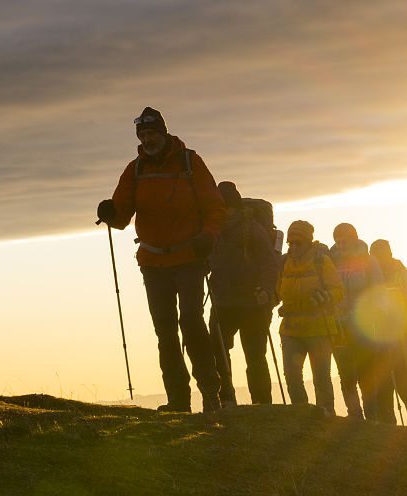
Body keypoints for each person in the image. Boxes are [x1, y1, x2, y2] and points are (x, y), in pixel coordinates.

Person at [96, 107, 225, 413]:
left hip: (190, 257)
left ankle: (210, 394)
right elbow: (123, 215)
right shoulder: (135, 169)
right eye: (142, 135)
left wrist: (207, 238)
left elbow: (216, 208)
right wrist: (110, 213)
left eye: (151, 133)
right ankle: (179, 401)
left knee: (192, 324)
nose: (147, 139)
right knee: (165, 332)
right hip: (153, 263)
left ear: (164, 133)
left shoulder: (190, 162)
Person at [206, 181, 282, 406]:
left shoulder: (251, 229)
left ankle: (256, 403)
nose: (224, 212)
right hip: (230, 302)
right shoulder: (213, 230)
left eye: (225, 207)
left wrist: (265, 290)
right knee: (227, 353)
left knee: (252, 356)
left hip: (247, 302)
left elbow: (269, 263)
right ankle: (237, 401)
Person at [275, 221, 344, 414]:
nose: (293, 248)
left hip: (318, 329)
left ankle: (325, 416)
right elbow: (277, 292)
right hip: (291, 330)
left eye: (298, 243)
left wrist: (326, 297)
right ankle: (302, 415)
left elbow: (339, 291)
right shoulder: (284, 263)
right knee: (292, 376)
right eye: (290, 244)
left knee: (321, 377)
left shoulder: (321, 261)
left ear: (308, 242)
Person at [367, 239, 407, 427]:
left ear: (389, 254)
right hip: (379, 339)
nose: (378, 260)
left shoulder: (404, 276)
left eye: (380, 255)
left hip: (403, 339)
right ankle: (389, 427)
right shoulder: (370, 278)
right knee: (384, 383)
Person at [328, 223, 384, 420]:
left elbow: (378, 291)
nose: (341, 245)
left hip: (364, 326)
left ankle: (371, 416)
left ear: (354, 239)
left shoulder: (368, 261)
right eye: (338, 242)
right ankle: (355, 415)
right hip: (339, 326)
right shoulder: (329, 261)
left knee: (366, 373)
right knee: (346, 375)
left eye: (344, 241)